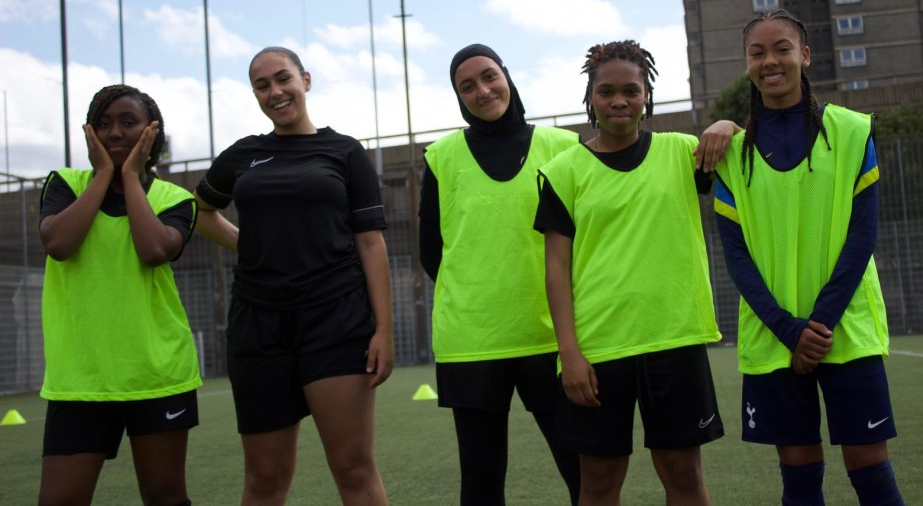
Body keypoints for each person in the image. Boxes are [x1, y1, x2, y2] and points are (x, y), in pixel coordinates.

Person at [713, 9, 904, 505]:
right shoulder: (733, 153)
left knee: (871, 471)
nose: (769, 61)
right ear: (747, 65)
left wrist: (817, 325)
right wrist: (788, 329)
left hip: (845, 330)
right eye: (757, 53)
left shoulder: (852, 131)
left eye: (781, 48)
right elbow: (735, 256)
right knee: (798, 478)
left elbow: (862, 237)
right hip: (775, 338)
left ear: (805, 55)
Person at [534, 40, 735, 505]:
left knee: (683, 475)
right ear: (590, 98)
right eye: (606, 92)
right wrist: (570, 354)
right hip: (599, 349)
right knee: (600, 483)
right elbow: (555, 269)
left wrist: (728, 122)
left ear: (648, 96)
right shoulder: (564, 171)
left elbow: (746, 149)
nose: (619, 101)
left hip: (674, 339)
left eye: (631, 90)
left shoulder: (685, 153)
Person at [194, 46, 394, 505]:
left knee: (353, 468)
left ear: (305, 79)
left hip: (336, 322)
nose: (275, 92)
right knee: (265, 478)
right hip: (258, 328)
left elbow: (370, 242)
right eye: (262, 86)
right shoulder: (244, 154)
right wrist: (252, 245)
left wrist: (384, 328)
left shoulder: (344, 151)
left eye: (282, 79)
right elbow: (201, 211)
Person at [418, 43, 582, 505]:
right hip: (472, 341)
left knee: (583, 471)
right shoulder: (441, 156)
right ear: (457, 96)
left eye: (489, 76)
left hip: (553, 336)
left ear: (506, 76)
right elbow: (432, 252)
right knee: (482, 479)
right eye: (466, 86)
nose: (482, 90)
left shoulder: (563, 147)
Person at [38, 84, 201, 506]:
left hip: (157, 374)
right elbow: (59, 243)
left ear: (152, 132)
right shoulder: (65, 184)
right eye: (105, 123)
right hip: (80, 379)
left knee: (165, 495)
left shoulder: (175, 198)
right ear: (90, 133)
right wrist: (103, 177)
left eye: (128, 123)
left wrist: (129, 176)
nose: (115, 133)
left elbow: (152, 251)